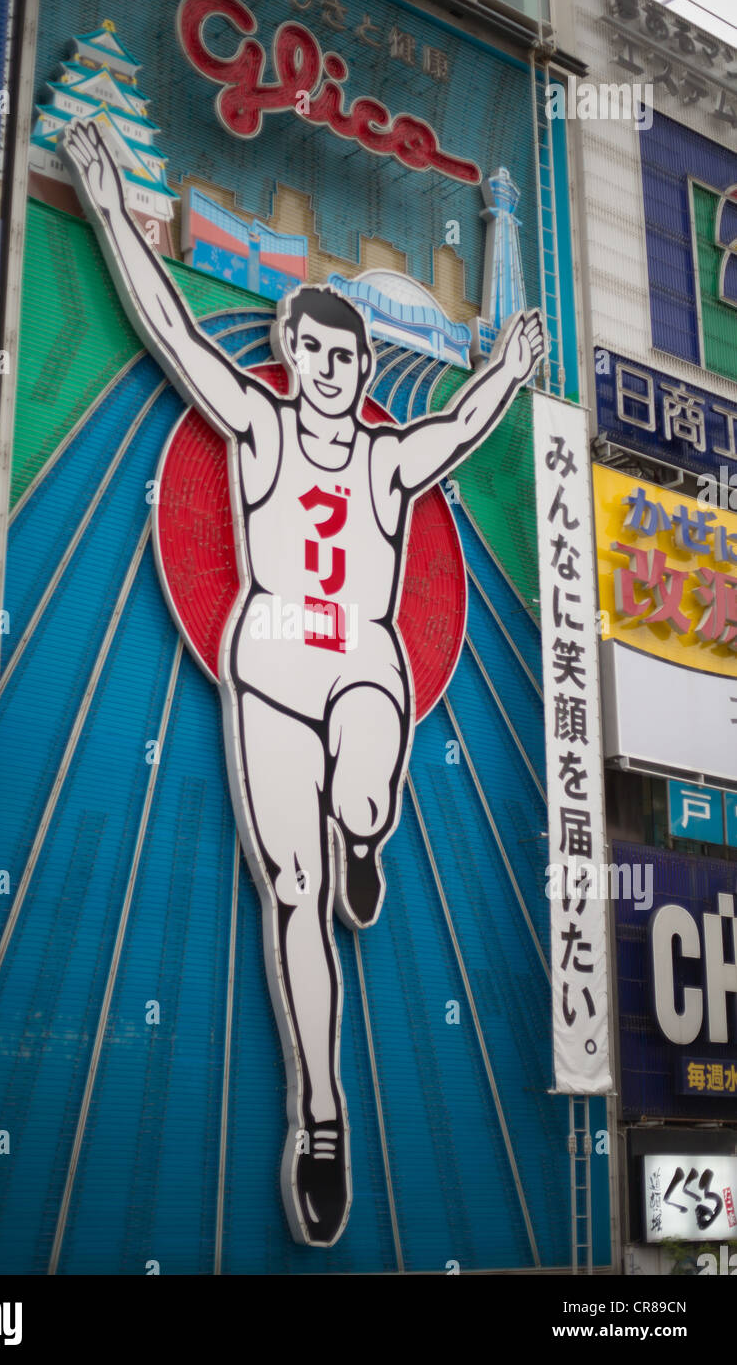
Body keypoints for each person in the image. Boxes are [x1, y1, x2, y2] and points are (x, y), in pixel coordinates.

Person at [62, 119, 545, 1248]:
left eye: (348, 358)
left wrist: (510, 370)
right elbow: (176, 333)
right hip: (271, 659)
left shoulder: (384, 461)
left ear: (365, 368)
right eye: (313, 353)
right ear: (292, 352)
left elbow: (459, 422)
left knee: (363, 797)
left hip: (363, 658)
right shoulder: (258, 432)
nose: (330, 372)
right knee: (289, 890)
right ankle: (320, 1114)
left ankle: (364, 833)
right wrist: (100, 196)